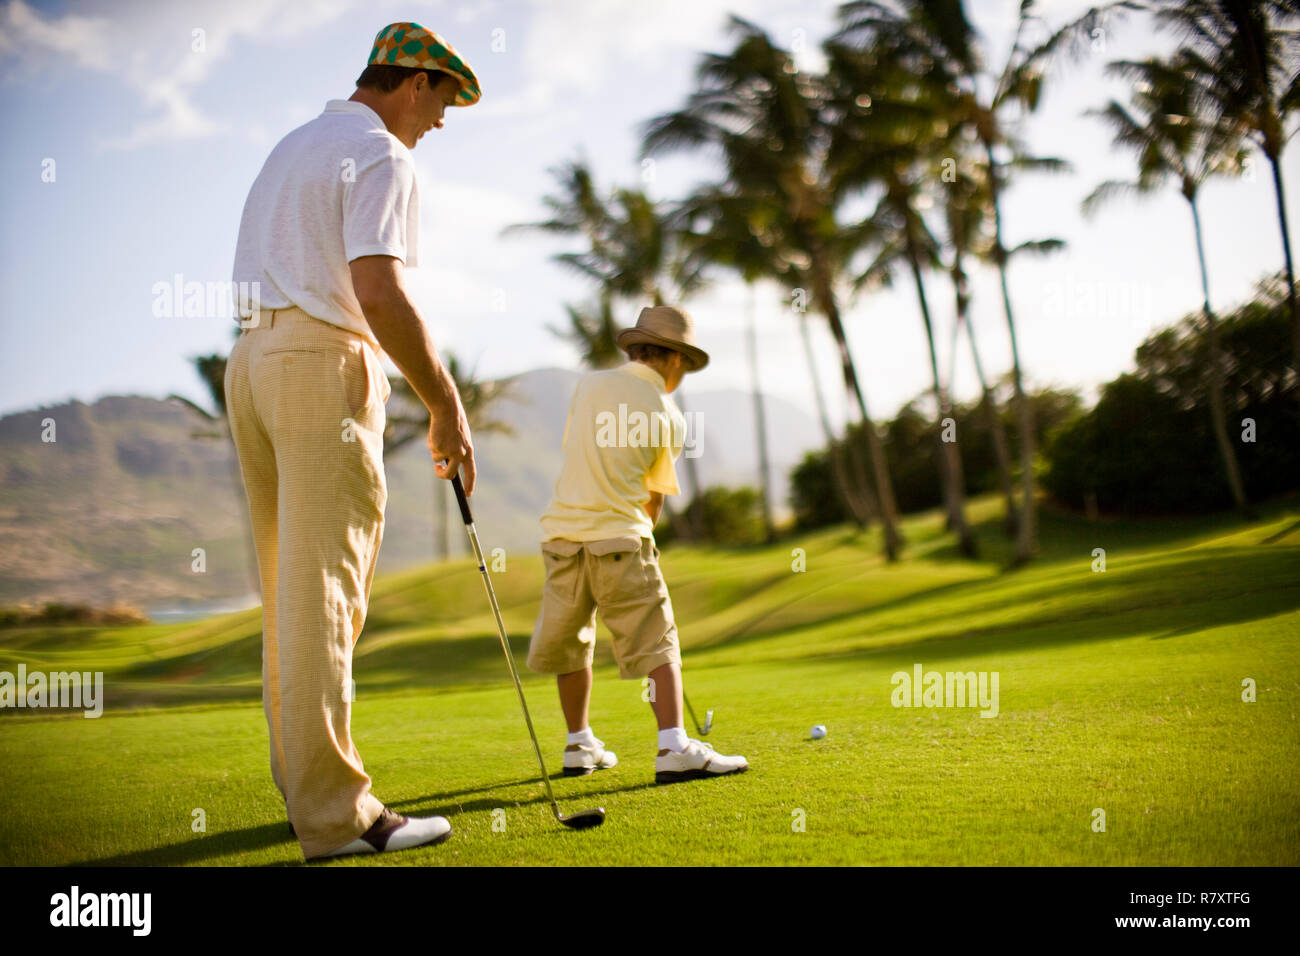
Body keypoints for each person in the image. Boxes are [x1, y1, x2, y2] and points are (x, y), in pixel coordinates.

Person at [224, 22, 480, 860]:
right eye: (443, 98)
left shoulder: (294, 143)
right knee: (325, 594)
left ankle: (306, 795)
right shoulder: (382, 154)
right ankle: (340, 816)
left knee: (291, 593)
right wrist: (444, 404)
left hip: (251, 363)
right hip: (319, 363)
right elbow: (378, 286)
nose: (440, 120)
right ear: (414, 81)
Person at [528, 305, 749, 784]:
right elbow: (653, 499)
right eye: (685, 365)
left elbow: (578, 453)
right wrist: (644, 536)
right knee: (657, 642)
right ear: (672, 359)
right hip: (620, 536)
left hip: (561, 536)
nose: (683, 375)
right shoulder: (669, 416)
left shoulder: (588, 385)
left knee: (573, 644)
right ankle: (673, 746)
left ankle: (578, 744)